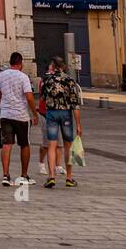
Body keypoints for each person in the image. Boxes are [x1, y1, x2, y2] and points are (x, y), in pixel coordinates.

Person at [0, 51, 39, 187]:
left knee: (7, 144)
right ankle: (23, 175)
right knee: (24, 144)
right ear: (20, 63)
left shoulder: (1, 76)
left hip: (6, 115)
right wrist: (35, 113)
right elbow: (29, 97)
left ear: (11, 62)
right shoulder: (23, 77)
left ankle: (6, 175)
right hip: (21, 116)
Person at [41, 55, 83, 189]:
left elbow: (43, 97)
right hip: (66, 114)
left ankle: (51, 176)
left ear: (53, 66)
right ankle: (69, 178)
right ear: (62, 66)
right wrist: (78, 124)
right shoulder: (70, 80)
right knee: (67, 145)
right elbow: (75, 104)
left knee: (52, 145)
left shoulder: (46, 79)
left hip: (51, 113)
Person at [36, 60, 55, 174]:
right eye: (51, 69)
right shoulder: (44, 81)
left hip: (56, 113)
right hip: (45, 113)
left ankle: (57, 166)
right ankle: (41, 163)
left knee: (58, 143)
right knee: (46, 142)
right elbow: (44, 95)